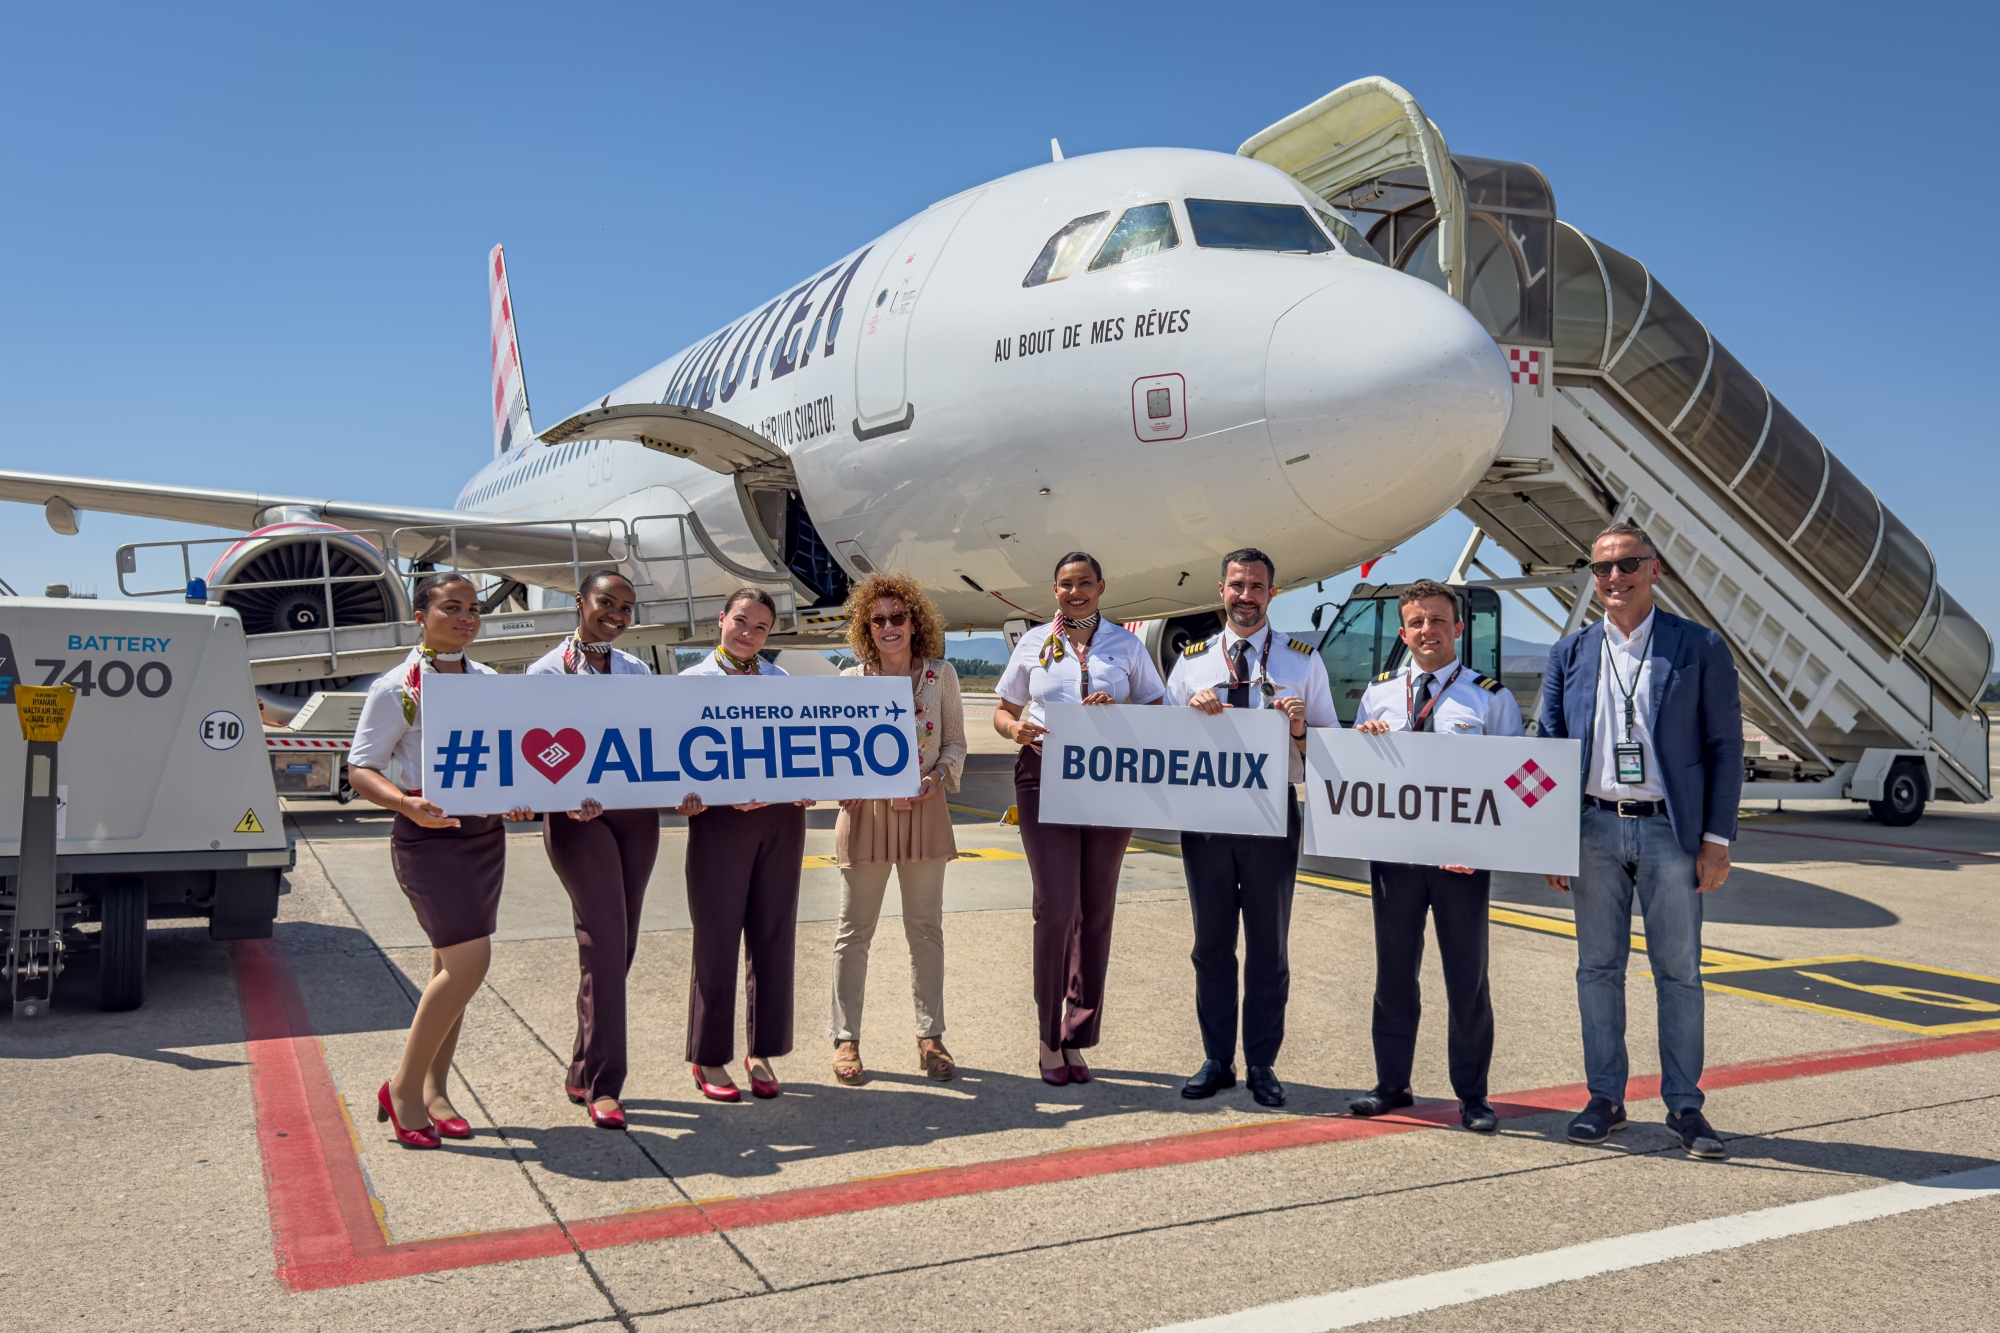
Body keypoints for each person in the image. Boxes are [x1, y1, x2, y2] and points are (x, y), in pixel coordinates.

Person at [1540, 522, 1741, 1160]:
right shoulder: (1569, 652)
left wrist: (1716, 839)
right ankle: (1605, 1099)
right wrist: (1550, 839)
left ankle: (1684, 1105)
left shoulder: (1698, 645)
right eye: (1602, 568)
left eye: (1627, 564)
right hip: (1593, 827)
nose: (1614, 578)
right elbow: (1550, 745)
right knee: (1597, 970)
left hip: (1668, 831)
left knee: (1678, 972)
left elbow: (1725, 747)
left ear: (1655, 569)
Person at [347, 572, 532, 1149]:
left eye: (473, 608)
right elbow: (361, 768)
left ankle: (436, 1091)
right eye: (451, 607)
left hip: (484, 836)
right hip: (428, 838)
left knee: (448, 973)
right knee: (468, 966)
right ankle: (402, 1090)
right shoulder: (397, 688)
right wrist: (405, 803)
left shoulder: (489, 682)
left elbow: (506, 753)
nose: (466, 618)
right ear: (421, 617)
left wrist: (519, 794)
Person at [1347, 580, 1523, 1132]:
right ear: (1403, 633)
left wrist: (1482, 847)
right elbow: (1359, 773)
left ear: (1459, 629)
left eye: (1438, 620)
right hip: (1395, 859)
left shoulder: (1489, 698)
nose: (1428, 631)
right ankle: (1391, 1085)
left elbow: (1516, 781)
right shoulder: (1379, 694)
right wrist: (1366, 739)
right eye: (1417, 623)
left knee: (1466, 980)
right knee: (1394, 975)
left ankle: (1473, 1096)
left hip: (1460, 862)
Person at [1166, 549, 1336, 1109]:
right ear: (1221, 590)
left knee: (1268, 945)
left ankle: (1263, 1062)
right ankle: (1217, 1058)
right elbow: (1159, 741)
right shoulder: (1191, 662)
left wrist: (1299, 728)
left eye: (1257, 586)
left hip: (1271, 816)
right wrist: (1185, 711)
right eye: (1237, 585)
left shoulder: (1302, 662)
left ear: (1272, 593)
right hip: (1207, 818)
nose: (1246, 596)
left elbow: (1330, 751)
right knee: (1211, 945)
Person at [994, 552, 1166, 1085]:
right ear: (1055, 590)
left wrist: (1119, 712)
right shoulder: (1033, 643)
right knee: (1057, 908)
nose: (1075, 592)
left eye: (1084, 583)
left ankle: (1077, 1034)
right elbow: (1004, 710)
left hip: (1109, 779)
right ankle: (1049, 1035)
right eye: (1066, 584)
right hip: (1043, 776)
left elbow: (1158, 709)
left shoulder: (1125, 645)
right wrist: (1014, 730)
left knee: (1096, 909)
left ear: (1101, 587)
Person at [524, 570, 657, 1131]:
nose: (616, 616)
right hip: (577, 819)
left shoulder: (636, 671)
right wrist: (557, 795)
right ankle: (605, 1084)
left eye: (626, 608)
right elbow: (529, 747)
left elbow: (655, 740)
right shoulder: (546, 672)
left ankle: (582, 1067)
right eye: (607, 603)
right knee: (603, 943)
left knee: (619, 947)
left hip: (636, 814)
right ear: (580, 603)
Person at [828, 573, 967, 1086]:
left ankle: (931, 1037)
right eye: (878, 619)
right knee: (853, 931)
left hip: (924, 811)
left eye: (898, 616)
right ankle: (846, 1038)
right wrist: (841, 784)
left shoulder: (941, 675)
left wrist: (937, 777)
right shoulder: (850, 681)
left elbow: (955, 743)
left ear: (915, 622)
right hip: (865, 814)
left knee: (925, 929)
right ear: (866, 627)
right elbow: (834, 750)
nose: (889, 626)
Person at [676, 587, 812, 1103]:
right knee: (716, 938)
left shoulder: (780, 682)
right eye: (741, 621)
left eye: (760, 627)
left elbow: (800, 749)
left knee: (774, 934)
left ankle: (763, 1050)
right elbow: (675, 761)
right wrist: (700, 796)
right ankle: (709, 1055)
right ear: (721, 620)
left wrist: (810, 783)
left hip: (781, 819)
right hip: (720, 821)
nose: (748, 633)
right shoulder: (691, 684)